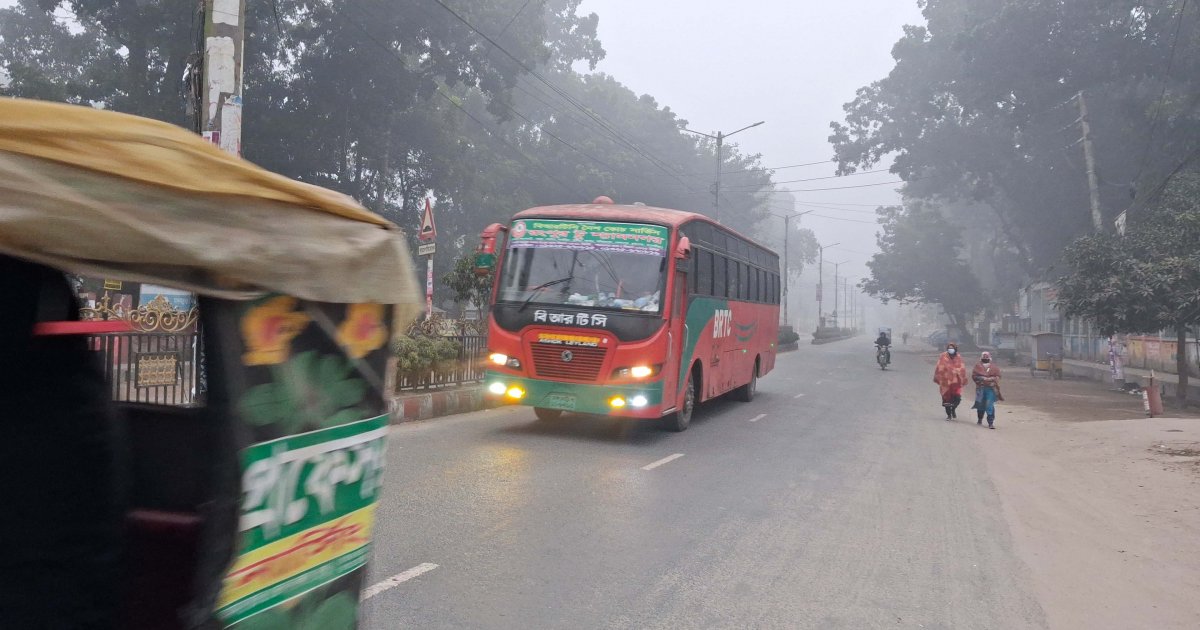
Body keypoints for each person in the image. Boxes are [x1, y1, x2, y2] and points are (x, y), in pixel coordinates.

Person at [932, 342, 968, 420]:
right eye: (949, 348)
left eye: (952, 348)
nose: (950, 349)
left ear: (955, 349)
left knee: (957, 398)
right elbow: (939, 367)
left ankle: (953, 409)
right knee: (946, 399)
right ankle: (949, 415)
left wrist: (956, 372)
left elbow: (962, 369)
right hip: (945, 382)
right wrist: (945, 373)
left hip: (956, 382)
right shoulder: (943, 356)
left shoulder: (958, 357)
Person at [972, 351, 1003, 429]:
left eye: (987, 357)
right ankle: (980, 419)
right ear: (981, 357)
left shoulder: (994, 367)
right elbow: (974, 376)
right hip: (981, 388)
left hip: (991, 388)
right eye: (984, 357)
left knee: (989, 404)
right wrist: (982, 378)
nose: (985, 358)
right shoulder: (977, 366)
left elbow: (998, 376)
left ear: (989, 357)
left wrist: (991, 379)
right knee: (980, 404)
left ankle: (990, 422)